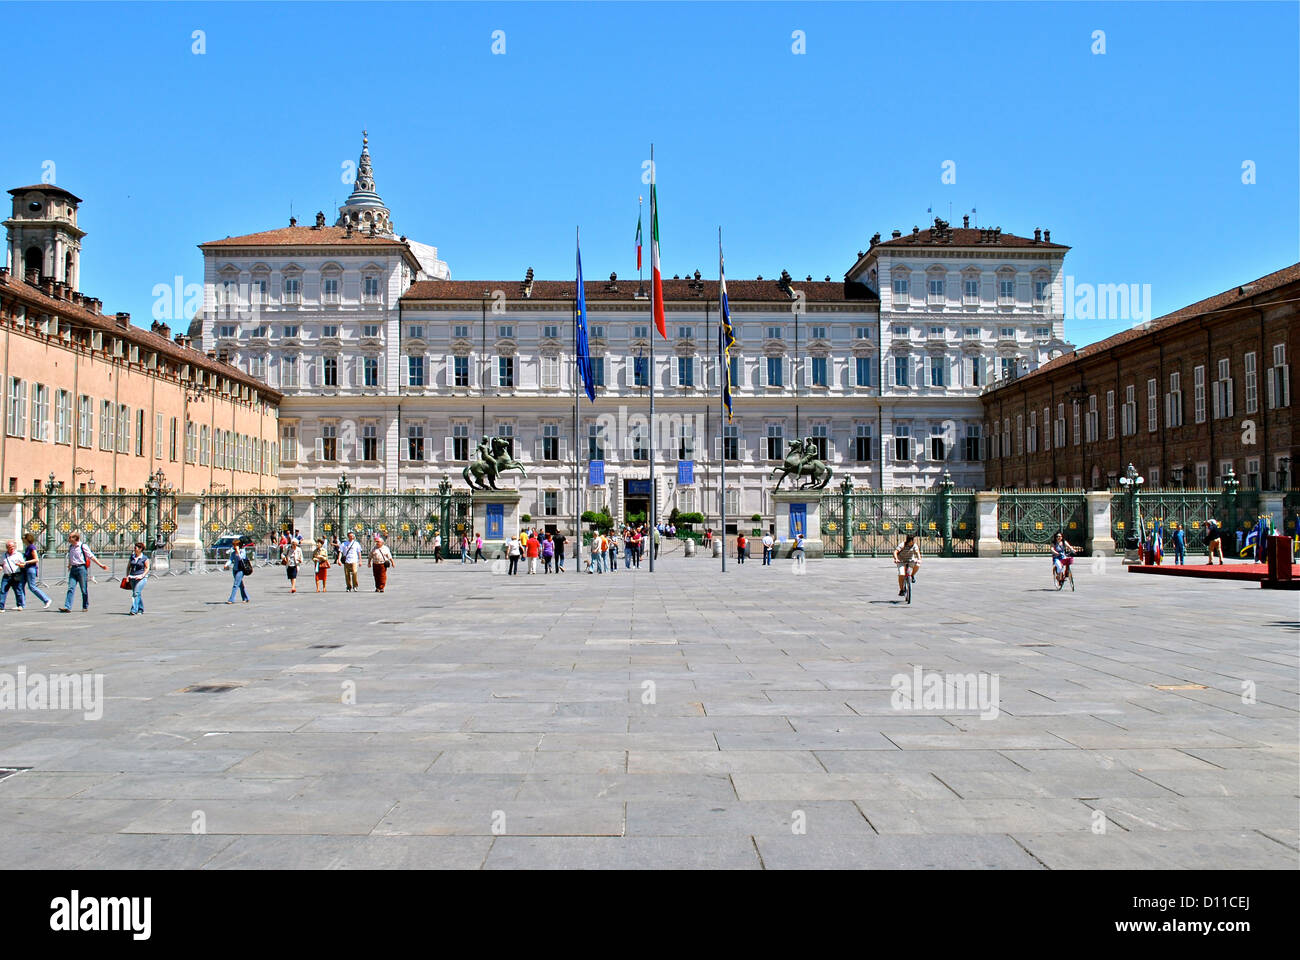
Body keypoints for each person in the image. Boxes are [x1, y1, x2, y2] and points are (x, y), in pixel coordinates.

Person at [60, 532, 108, 612]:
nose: (68, 539)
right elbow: (71, 557)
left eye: (70, 537)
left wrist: (100, 565)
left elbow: (91, 556)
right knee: (71, 588)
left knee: (83, 589)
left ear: (75, 538)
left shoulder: (83, 546)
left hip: (81, 568)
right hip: (73, 569)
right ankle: (67, 607)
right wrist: (69, 565)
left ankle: (85, 605)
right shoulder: (71, 547)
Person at [21, 533, 52, 609]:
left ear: (27, 539)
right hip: (26, 568)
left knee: (32, 586)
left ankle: (46, 599)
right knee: (20, 586)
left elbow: (36, 559)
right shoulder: (27, 547)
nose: (22, 540)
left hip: (31, 568)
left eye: (23, 538)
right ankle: (21, 604)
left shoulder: (32, 547)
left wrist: (26, 562)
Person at [0, 540, 26, 611]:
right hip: (6, 575)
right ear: (7, 548)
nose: (11, 548)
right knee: (3, 591)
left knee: (18, 590)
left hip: (16, 575)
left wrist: (20, 565)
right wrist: (1, 567)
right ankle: (1, 607)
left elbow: (23, 564)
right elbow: (1, 564)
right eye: (9, 547)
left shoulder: (18, 554)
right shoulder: (4, 555)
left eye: (13, 547)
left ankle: (20, 605)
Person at [126, 541, 149, 615]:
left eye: (135, 548)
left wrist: (142, 575)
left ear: (140, 549)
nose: (134, 549)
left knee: (136, 593)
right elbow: (128, 567)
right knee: (137, 593)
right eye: (134, 548)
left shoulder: (144, 558)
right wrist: (127, 576)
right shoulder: (132, 557)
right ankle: (140, 609)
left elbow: (147, 568)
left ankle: (134, 610)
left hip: (141, 577)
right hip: (132, 576)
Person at [225, 540, 251, 604]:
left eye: (235, 545)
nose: (234, 546)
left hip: (241, 570)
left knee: (235, 585)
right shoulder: (233, 553)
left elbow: (240, 558)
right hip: (235, 570)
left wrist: (238, 551)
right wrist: (226, 564)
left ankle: (231, 599)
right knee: (240, 585)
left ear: (239, 545)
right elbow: (231, 560)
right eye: (233, 545)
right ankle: (246, 597)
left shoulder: (243, 551)